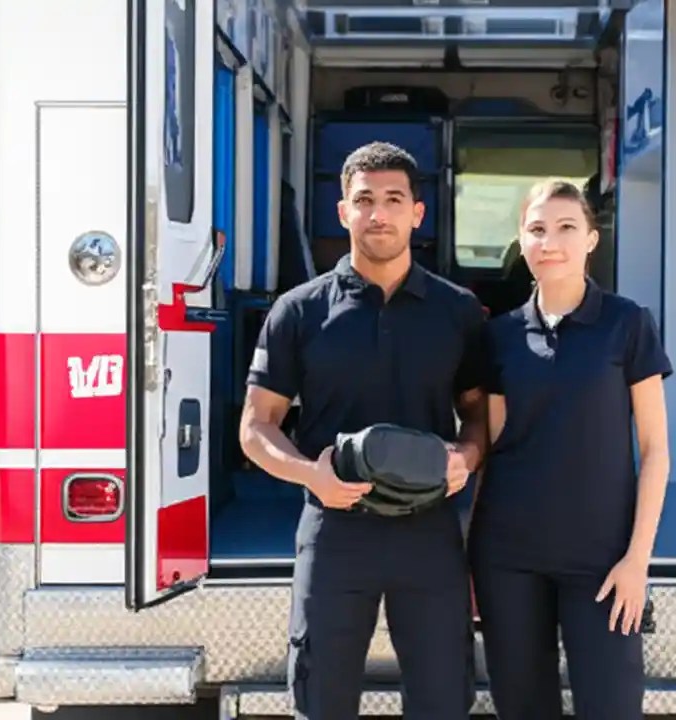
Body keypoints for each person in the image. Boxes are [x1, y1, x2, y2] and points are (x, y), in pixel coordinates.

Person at [239, 141, 488, 720]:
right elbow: (256, 427)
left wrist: (467, 457)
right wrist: (311, 476)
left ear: (417, 213)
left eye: (394, 199)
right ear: (342, 210)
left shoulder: (457, 312)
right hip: (335, 533)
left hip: (430, 531)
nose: (379, 213)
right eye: (365, 199)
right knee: (321, 701)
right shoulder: (298, 312)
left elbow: (478, 416)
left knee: (444, 700)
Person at [467, 179, 672, 720]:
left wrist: (637, 560)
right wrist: (470, 555)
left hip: (602, 563)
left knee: (612, 707)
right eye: (537, 229)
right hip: (508, 559)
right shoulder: (500, 336)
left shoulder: (627, 324)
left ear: (591, 240)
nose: (550, 241)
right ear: (521, 240)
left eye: (565, 228)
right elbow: (493, 450)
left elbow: (654, 451)